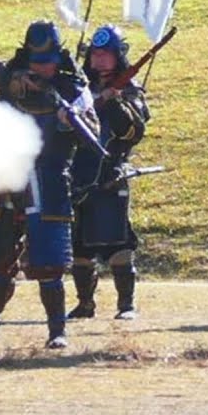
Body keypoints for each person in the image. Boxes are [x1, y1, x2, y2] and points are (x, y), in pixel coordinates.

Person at [0, 21, 97, 348]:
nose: (42, 68)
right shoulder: (13, 76)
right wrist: (12, 78)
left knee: (49, 261)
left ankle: (57, 332)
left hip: (50, 177)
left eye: (48, 62)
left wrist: (68, 122)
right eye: (37, 62)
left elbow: (92, 131)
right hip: (11, 176)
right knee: (0, 256)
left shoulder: (74, 88)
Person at [68, 25, 150, 320]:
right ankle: (85, 303)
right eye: (96, 54)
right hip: (79, 172)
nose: (100, 60)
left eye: (106, 54)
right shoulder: (79, 87)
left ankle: (126, 305)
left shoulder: (129, 90)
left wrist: (113, 101)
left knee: (118, 243)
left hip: (110, 173)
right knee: (79, 245)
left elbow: (133, 131)